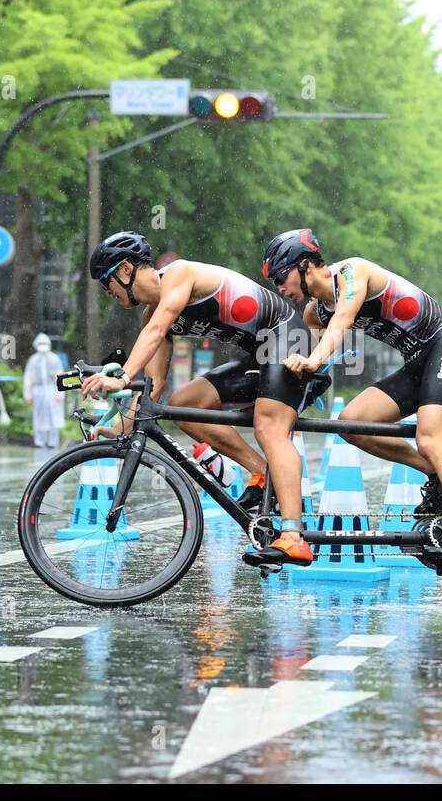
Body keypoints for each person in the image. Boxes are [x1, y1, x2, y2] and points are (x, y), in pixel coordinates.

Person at [81, 231, 315, 566]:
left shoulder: (178, 274)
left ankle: (294, 537)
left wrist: (121, 376)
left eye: (107, 284)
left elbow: (157, 330)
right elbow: (154, 386)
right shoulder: (151, 315)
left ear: (125, 270)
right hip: (261, 357)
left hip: (289, 339)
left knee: (270, 429)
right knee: (182, 406)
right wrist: (119, 427)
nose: (109, 293)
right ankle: (264, 473)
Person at [262, 229, 442, 566]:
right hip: (417, 364)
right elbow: (305, 349)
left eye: (281, 277)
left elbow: (343, 320)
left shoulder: (352, 272)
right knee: (350, 424)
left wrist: (314, 360)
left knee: (430, 439)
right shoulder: (315, 313)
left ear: (305, 265)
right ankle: (434, 473)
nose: (280, 288)